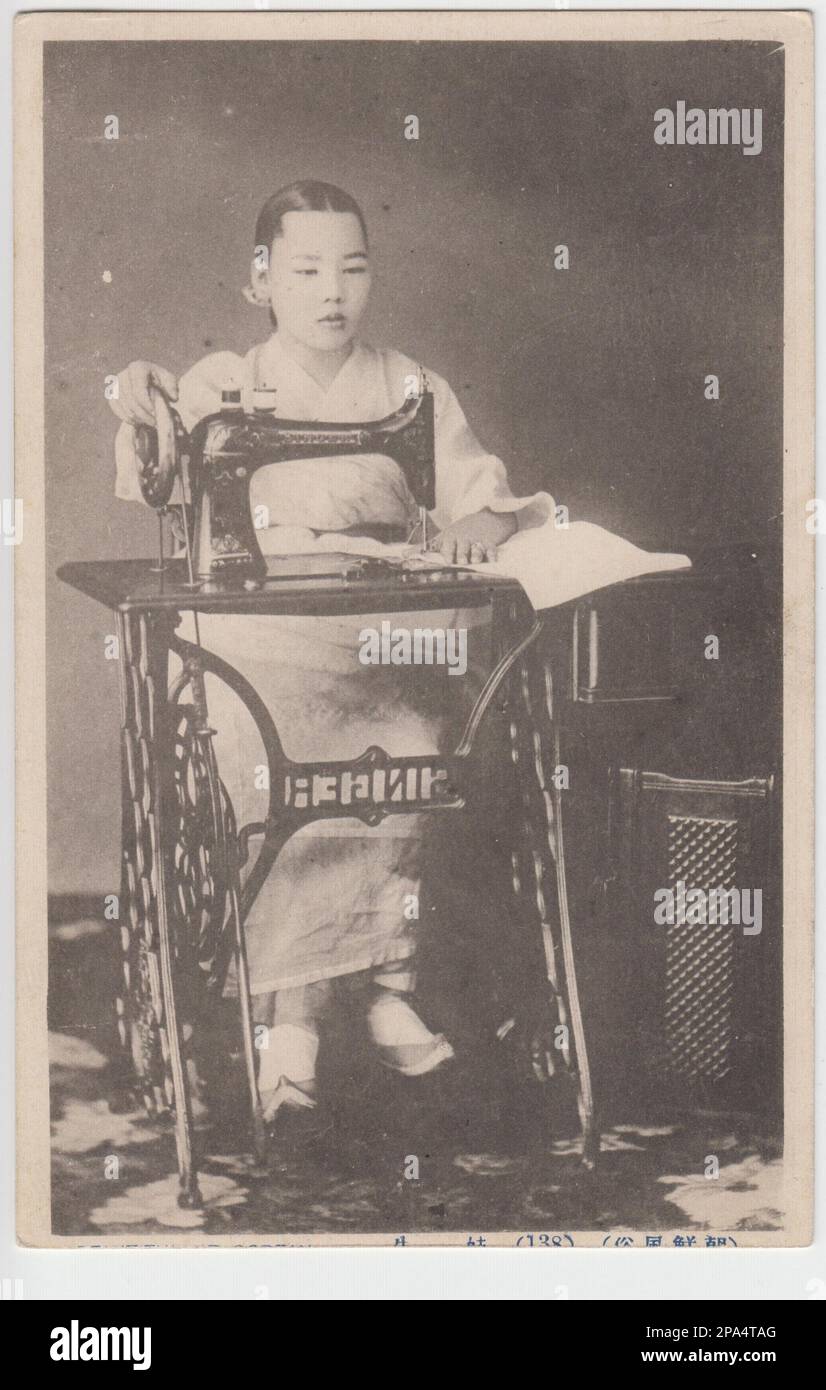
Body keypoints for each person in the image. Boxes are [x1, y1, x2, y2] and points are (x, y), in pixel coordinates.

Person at [110, 180, 552, 1131]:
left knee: (413, 743)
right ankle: (295, 1018)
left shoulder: (409, 389)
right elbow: (158, 468)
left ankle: (385, 985)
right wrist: (138, 394)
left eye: (352, 267)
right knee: (266, 749)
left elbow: (477, 493)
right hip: (255, 642)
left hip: (376, 641)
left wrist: (473, 527)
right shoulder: (224, 385)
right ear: (259, 279)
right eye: (306, 268)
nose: (331, 290)